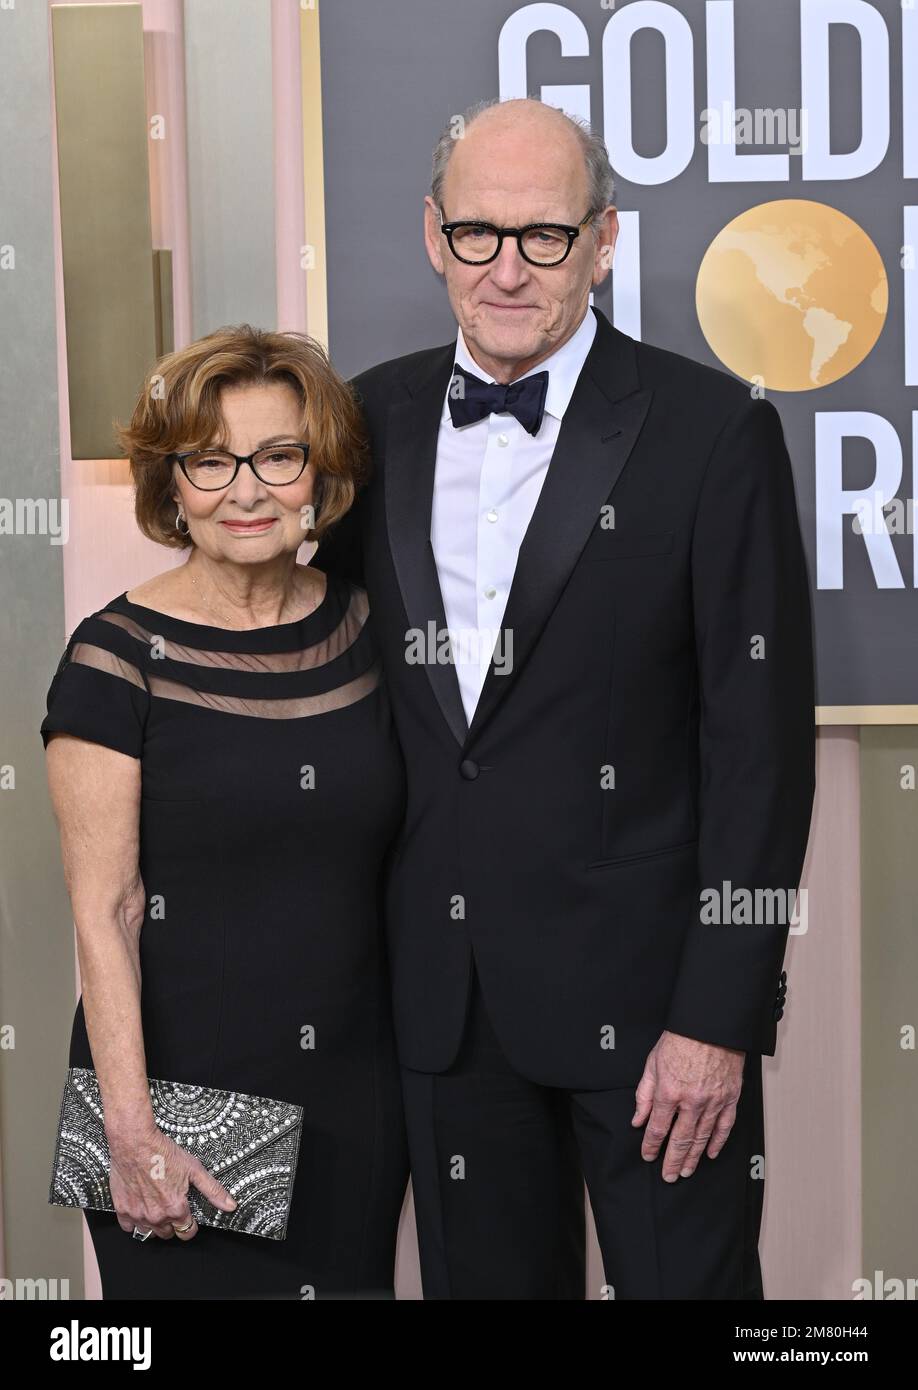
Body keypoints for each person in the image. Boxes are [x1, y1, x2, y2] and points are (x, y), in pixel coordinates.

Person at [314, 97, 816, 1299]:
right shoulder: (362, 421)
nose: (506, 268)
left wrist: (719, 1017)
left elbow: (760, 749)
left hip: (654, 1018)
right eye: (478, 233)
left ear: (604, 241)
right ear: (433, 236)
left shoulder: (712, 433)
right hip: (442, 1006)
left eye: (543, 235)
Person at [41, 326, 408, 1299]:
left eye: (278, 456)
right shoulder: (111, 659)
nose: (246, 491)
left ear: (319, 474)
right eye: (210, 461)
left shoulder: (372, 628)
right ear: (171, 485)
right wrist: (130, 1131)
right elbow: (106, 910)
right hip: (171, 1102)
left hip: (353, 1093)